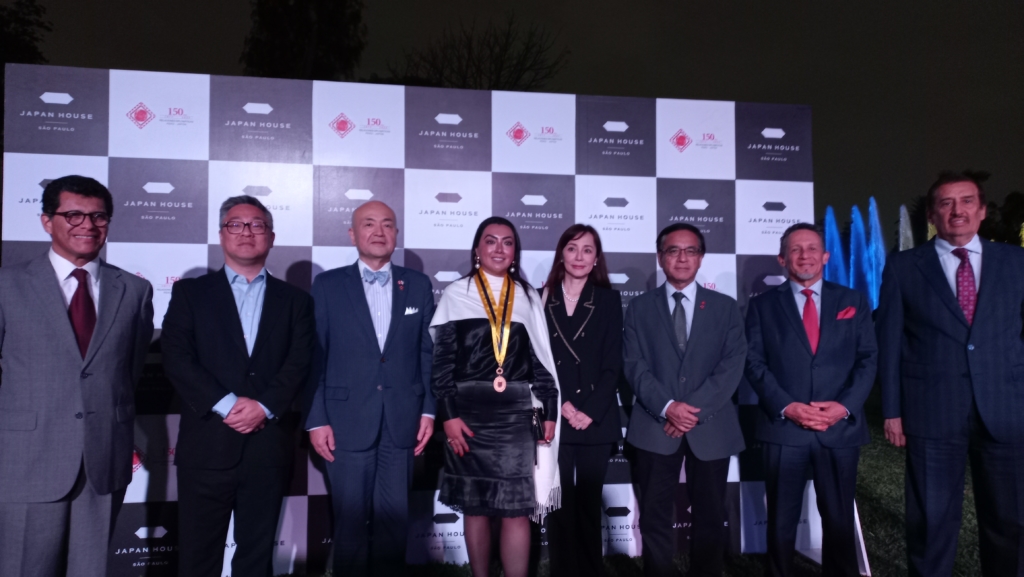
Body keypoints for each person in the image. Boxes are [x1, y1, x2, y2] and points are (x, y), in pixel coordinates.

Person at [0, 175, 154, 577]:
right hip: (26, 461)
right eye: (73, 215)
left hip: (104, 460)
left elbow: (129, 369)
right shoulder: (7, 286)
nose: (87, 225)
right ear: (46, 221)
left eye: (98, 216)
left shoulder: (135, 290)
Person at [877, 171, 1024, 577]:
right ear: (932, 215)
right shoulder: (904, 267)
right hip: (932, 413)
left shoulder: (1017, 262)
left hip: (1007, 411)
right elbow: (889, 343)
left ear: (981, 210)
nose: (956, 210)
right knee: (931, 524)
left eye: (965, 201)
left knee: (1011, 522)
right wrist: (892, 410)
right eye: (945, 203)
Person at [161, 195, 315, 577]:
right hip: (208, 444)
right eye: (236, 223)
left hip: (268, 445)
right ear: (221, 234)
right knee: (198, 557)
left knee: (256, 557)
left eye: (256, 224)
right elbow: (177, 358)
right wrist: (227, 403)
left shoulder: (296, 300)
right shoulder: (190, 294)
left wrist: (263, 406)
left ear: (271, 237)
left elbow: (300, 361)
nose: (246, 231)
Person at [305, 200, 436, 576]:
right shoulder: (328, 285)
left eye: (387, 225)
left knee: (395, 524)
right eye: (368, 224)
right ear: (352, 234)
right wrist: (316, 420)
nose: (379, 232)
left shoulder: (417, 284)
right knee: (349, 524)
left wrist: (428, 409)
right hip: (344, 422)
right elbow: (316, 356)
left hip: (403, 422)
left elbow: (427, 353)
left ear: (396, 233)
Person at [429, 217, 560, 577]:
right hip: (467, 415)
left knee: (517, 509)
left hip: (516, 414)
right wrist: (449, 415)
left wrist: (549, 409)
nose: (499, 249)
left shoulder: (528, 295)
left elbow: (540, 359)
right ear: (477, 250)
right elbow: (442, 366)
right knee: (476, 507)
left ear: (515, 252)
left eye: (507, 242)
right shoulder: (458, 294)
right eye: (490, 241)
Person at [744, 223, 877, 577]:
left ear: (826, 256)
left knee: (838, 518)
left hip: (839, 428)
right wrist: (787, 406)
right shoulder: (762, 307)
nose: (805, 255)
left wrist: (842, 407)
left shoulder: (853, 301)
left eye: (812, 248)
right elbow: (753, 363)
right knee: (781, 521)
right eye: (796, 249)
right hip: (784, 427)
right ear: (782, 258)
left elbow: (868, 359)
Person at [623, 223, 746, 577]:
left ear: (701, 257)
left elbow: (732, 364)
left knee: (710, 515)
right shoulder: (639, 308)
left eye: (690, 250)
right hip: (654, 425)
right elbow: (634, 365)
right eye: (673, 250)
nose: (682, 258)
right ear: (660, 257)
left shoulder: (724, 308)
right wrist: (668, 408)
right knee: (655, 514)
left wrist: (692, 410)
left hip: (710, 427)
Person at [542, 224, 622, 577]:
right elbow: (535, 360)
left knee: (589, 504)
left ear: (596, 259)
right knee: (557, 505)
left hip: (595, 417)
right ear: (562, 253)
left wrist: (588, 410)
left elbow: (613, 363)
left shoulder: (608, 299)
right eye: (572, 248)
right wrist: (560, 404)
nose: (579, 256)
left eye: (587, 250)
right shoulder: (541, 297)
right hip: (554, 416)